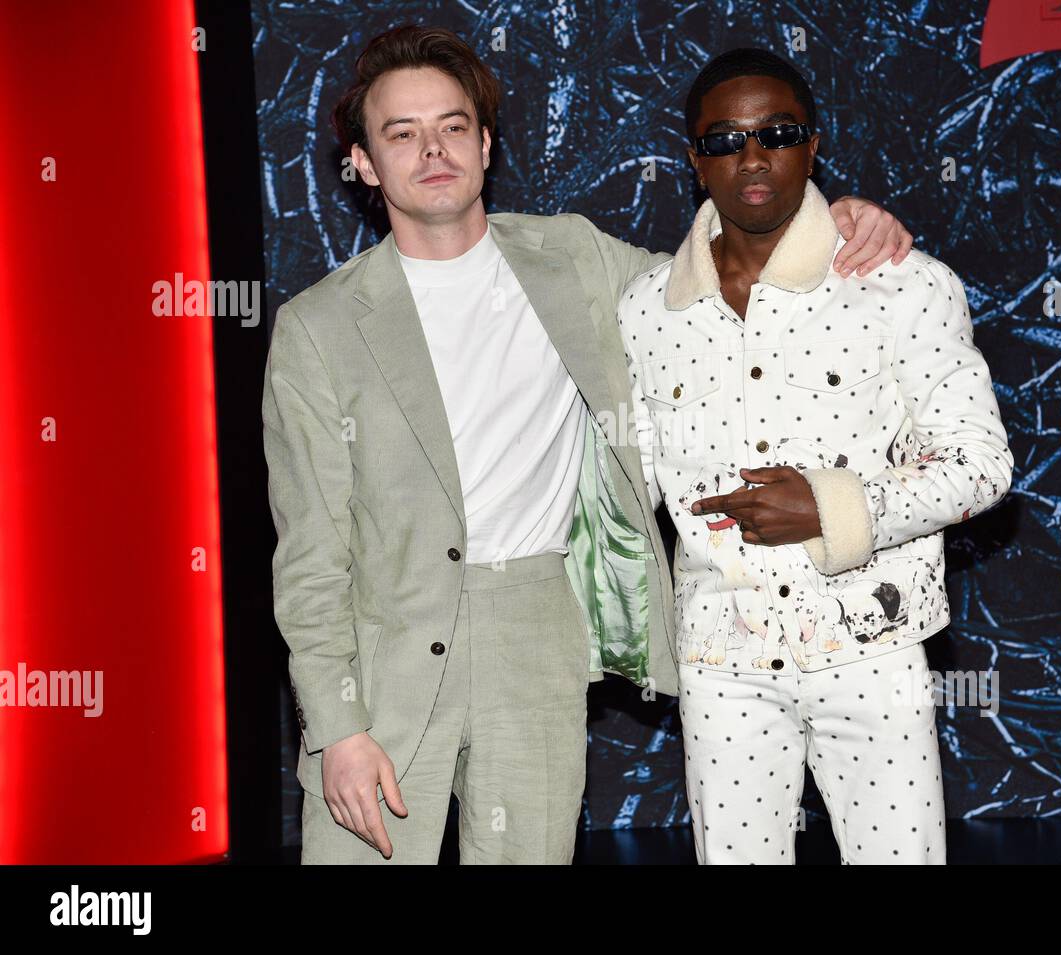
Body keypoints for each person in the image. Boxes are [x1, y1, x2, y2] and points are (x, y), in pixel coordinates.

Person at [262, 25, 913, 864]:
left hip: (536, 632)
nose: (433, 149)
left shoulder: (571, 257)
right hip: (382, 653)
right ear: (362, 162)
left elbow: (717, 276)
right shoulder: (316, 327)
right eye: (401, 133)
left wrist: (831, 217)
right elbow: (311, 555)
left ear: (487, 145)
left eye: (454, 126)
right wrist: (337, 727)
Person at [617, 48, 1014, 864]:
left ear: (813, 145)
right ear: (694, 160)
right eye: (724, 139)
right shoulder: (646, 312)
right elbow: (631, 486)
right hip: (721, 663)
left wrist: (835, 508)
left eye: (777, 133)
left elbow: (983, 466)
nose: (752, 156)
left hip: (872, 650)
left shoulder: (904, 285)